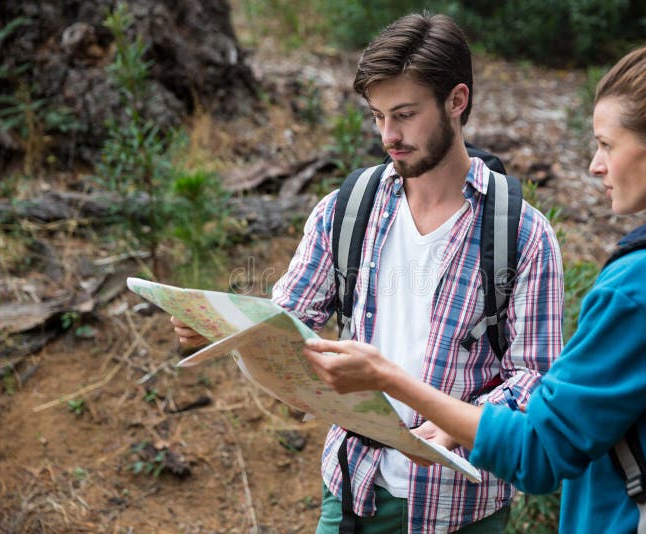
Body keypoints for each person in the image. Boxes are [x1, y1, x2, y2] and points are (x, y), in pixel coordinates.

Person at [302, 22, 646, 534]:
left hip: (505, 510)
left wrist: (392, 382)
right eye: (378, 116)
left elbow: (541, 450)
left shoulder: (638, 288)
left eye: (607, 144)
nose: (593, 165)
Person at [172, 12, 564, 534]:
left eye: (404, 114)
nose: (389, 136)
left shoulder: (523, 235)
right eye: (378, 115)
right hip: (354, 493)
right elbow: (288, 321)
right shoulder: (348, 209)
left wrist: (452, 428)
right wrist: (225, 327)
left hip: (464, 509)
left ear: (457, 101)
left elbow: (535, 378)